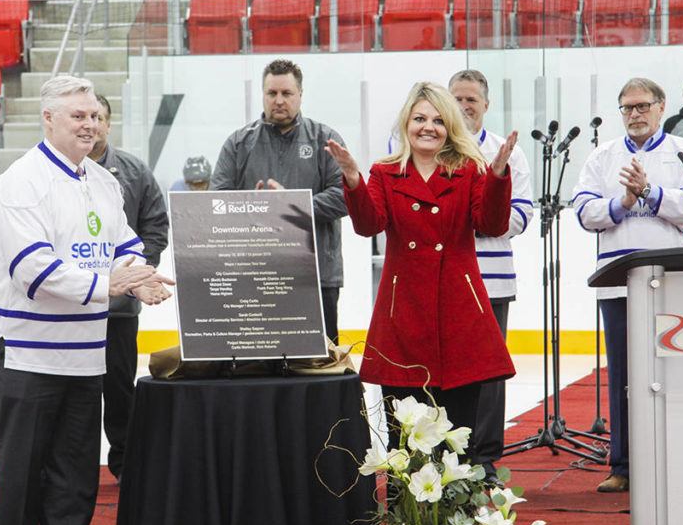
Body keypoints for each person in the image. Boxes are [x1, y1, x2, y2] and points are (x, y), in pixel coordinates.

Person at [0, 76, 174, 525]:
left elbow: (125, 246)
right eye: (77, 116)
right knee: (21, 486)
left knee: (74, 488)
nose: (89, 124)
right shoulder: (20, 183)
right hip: (22, 358)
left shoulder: (105, 182)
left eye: (94, 116)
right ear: (48, 119)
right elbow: (33, 272)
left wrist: (141, 276)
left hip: (85, 361)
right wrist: (112, 284)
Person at [325, 81, 517, 446]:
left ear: (449, 129)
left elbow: (492, 224)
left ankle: (457, 503)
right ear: (406, 124)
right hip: (404, 315)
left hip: (458, 312)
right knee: (404, 440)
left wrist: (496, 176)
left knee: (456, 438)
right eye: (419, 118)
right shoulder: (384, 173)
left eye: (438, 120)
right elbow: (369, 225)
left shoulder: (469, 170)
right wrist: (353, 179)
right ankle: (403, 505)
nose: (428, 127)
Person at [572, 77, 683, 493]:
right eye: (627, 108)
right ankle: (624, 465)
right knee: (624, 377)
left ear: (661, 106)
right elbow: (583, 211)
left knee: (673, 372)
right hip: (618, 284)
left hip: (670, 282)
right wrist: (622, 203)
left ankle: (674, 458)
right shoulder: (602, 156)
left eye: (642, 106)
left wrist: (648, 191)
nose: (634, 114)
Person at [212, 59, 348, 344]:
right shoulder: (238, 144)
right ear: (262, 95)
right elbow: (218, 202)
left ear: (300, 94)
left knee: (319, 366)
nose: (279, 100)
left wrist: (289, 204)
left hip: (317, 275)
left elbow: (344, 197)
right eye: (271, 93)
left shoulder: (326, 139)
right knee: (262, 365)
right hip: (255, 275)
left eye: (287, 93)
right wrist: (259, 207)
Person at [449, 69, 533, 482]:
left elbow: (523, 211)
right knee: (446, 368)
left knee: (489, 371)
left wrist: (485, 221)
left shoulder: (507, 150)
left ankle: (485, 458)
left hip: (492, 279)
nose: (464, 106)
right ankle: (447, 453)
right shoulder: (434, 143)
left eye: (471, 100)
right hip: (444, 279)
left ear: (486, 104)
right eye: (457, 99)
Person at [88, 92, 169, 482]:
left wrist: (135, 271)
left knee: (119, 390)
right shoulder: (58, 174)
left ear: (108, 122)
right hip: (73, 310)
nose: (93, 125)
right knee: (77, 395)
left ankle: (123, 464)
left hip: (119, 311)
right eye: (85, 117)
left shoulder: (134, 172)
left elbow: (156, 225)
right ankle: (77, 466)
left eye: (99, 117)